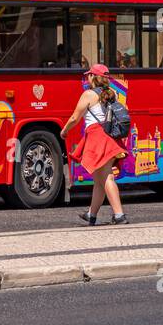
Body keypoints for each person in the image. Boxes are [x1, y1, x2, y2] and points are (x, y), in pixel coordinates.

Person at [60, 63, 129, 226]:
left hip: (98, 138)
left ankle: (119, 215)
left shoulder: (88, 94)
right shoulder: (111, 94)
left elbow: (74, 118)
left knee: (106, 177)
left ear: (93, 77)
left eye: (88, 75)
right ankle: (92, 214)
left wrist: (64, 131)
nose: (87, 78)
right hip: (110, 137)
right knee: (99, 179)